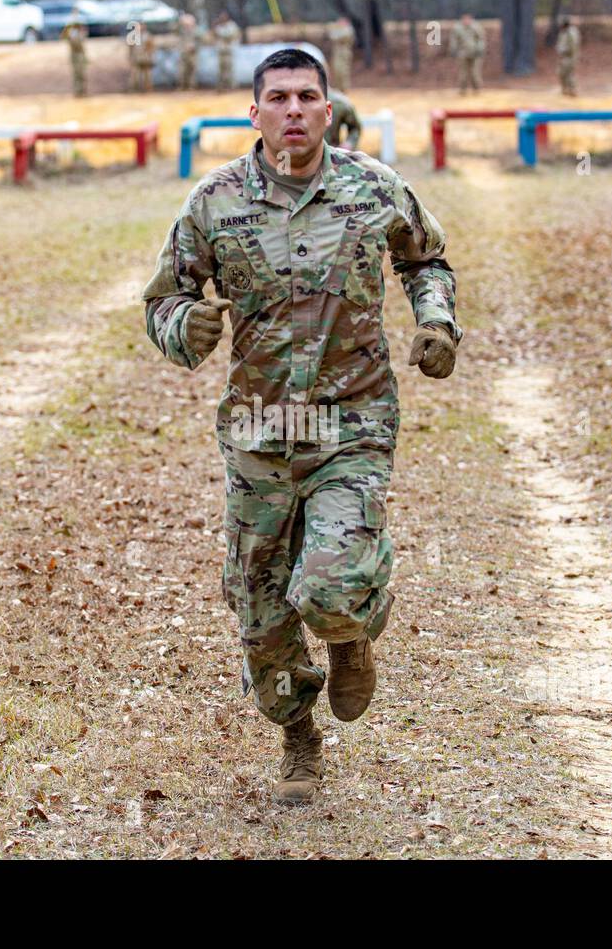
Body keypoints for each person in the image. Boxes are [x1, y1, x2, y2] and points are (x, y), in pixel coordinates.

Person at [141, 49, 460, 805]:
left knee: (326, 584)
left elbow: (428, 260)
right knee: (259, 605)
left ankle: (349, 634)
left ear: (327, 110)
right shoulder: (213, 202)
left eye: (306, 97)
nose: (292, 110)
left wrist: (437, 326)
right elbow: (162, 302)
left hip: (352, 422)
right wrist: (192, 326)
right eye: (276, 97)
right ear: (254, 114)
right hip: (259, 434)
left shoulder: (373, 187)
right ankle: (298, 734)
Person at [449, 12, 485, 95]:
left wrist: (480, 49)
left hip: (475, 53)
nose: (466, 21)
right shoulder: (457, 28)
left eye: (468, 19)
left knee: (475, 73)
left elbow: (481, 39)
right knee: (463, 73)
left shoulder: (476, 27)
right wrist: (453, 50)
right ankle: (462, 90)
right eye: (464, 19)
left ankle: (477, 90)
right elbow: (454, 41)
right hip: (463, 53)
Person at [62, 10, 88, 97]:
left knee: (82, 74)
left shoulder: (79, 32)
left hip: (80, 55)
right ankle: (78, 91)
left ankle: (82, 91)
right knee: (77, 74)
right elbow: (73, 42)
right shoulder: (71, 32)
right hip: (75, 55)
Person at [326, 16, 354, 91]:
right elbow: (331, 36)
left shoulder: (348, 29)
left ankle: (344, 88)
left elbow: (336, 37)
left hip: (344, 53)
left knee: (343, 71)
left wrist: (335, 28)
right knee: (336, 70)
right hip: (337, 53)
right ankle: (338, 88)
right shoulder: (339, 30)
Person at [213, 12, 240, 91]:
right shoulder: (218, 27)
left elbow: (231, 36)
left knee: (229, 68)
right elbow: (215, 36)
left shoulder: (232, 26)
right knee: (221, 69)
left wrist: (221, 34)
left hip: (229, 50)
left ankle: (231, 86)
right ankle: (221, 86)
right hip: (221, 50)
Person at [556, 16, 580, 98]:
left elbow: (573, 46)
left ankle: (572, 90)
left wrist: (568, 54)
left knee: (569, 74)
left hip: (569, 57)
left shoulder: (571, 33)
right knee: (561, 73)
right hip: (565, 57)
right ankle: (565, 90)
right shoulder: (564, 32)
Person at [128, 22, 155, 93]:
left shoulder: (148, 35)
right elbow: (130, 47)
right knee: (135, 75)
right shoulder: (133, 36)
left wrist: (150, 56)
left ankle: (148, 89)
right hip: (136, 58)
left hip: (145, 58)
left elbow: (151, 47)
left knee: (147, 75)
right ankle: (134, 89)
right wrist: (130, 57)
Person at [176, 13, 201, 90]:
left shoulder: (196, 32)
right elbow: (175, 30)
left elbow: (200, 42)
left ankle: (191, 86)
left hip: (192, 53)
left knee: (192, 70)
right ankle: (182, 85)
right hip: (183, 53)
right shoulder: (181, 32)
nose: (187, 25)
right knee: (182, 70)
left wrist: (194, 47)